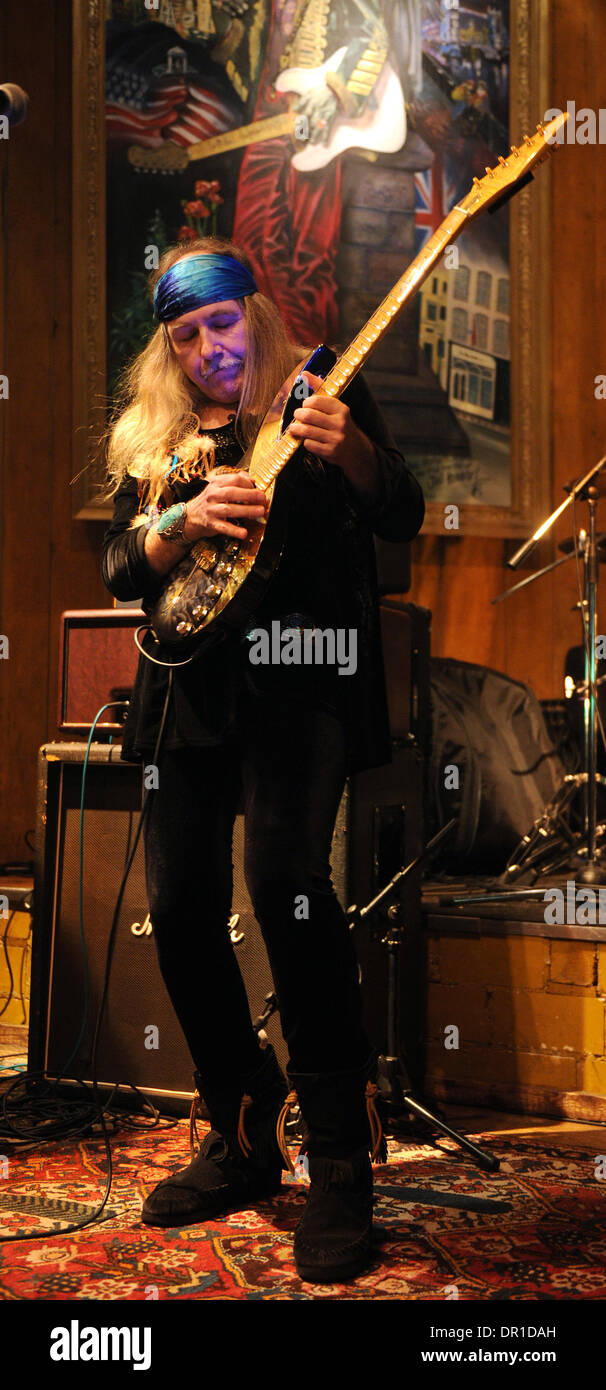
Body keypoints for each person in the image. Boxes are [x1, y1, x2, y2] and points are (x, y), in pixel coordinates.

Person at [101, 234, 424, 1284]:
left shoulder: (323, 393)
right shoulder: (157, 441)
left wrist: (351, 451)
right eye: (186, 335)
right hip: (188, 694)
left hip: (303, 682)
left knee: (286, 881)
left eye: (222, 322)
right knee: (180, 903)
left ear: (259, 309)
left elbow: (403, 515)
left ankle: (339, 1164)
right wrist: (179, 523)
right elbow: (119, 567)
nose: (208, 348)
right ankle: (243, 1130)